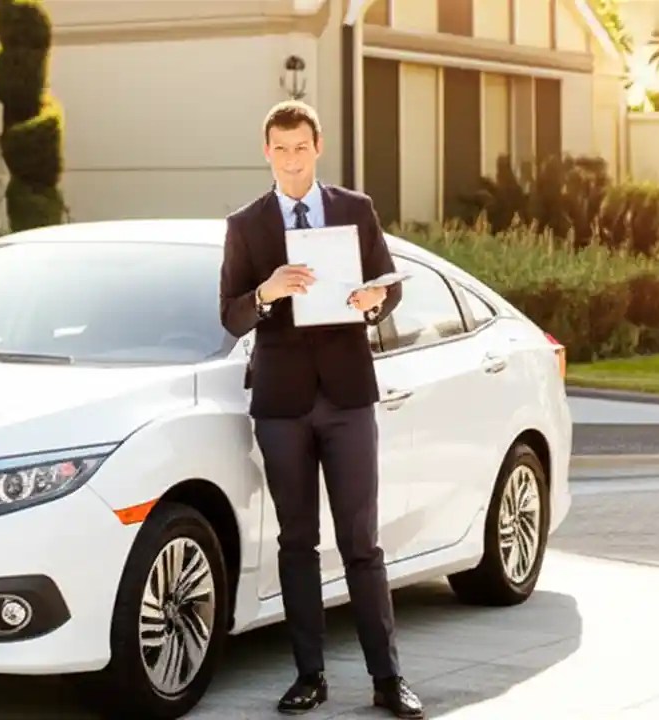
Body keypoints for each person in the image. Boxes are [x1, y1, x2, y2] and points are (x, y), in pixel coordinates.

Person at [218, 99, 425, 718]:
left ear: (318, 147)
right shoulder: (246, 223)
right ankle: (310, 676)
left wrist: (369, 300)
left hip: (346, 397)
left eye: (299, 148)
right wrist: (265, 292)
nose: (290, 159)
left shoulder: (354, 210)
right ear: (267, 153)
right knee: (297, 542)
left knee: (361, 541)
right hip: (281, 404)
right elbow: (229, 313)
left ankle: (388, 679)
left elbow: (388, 287)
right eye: (279, 149)